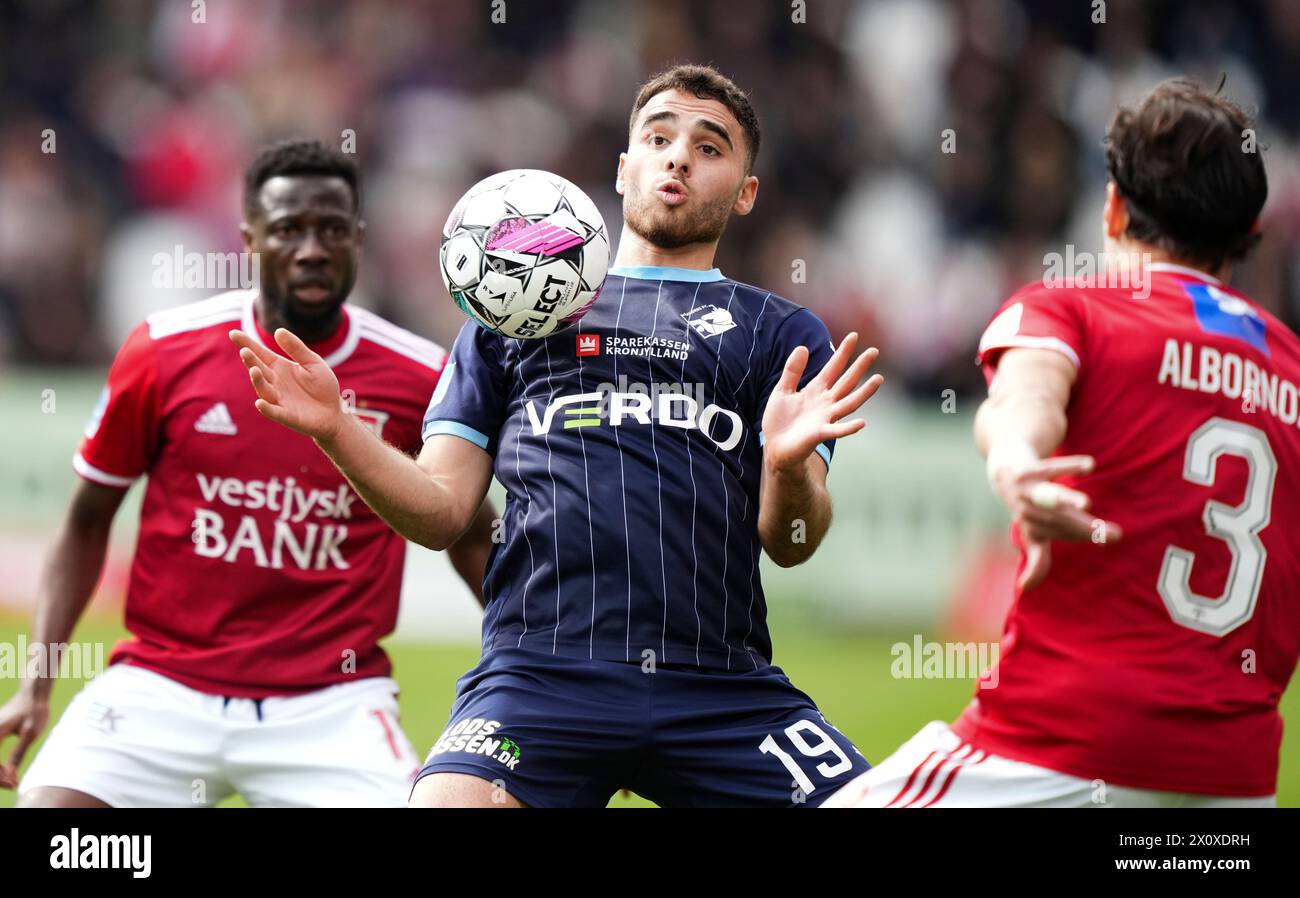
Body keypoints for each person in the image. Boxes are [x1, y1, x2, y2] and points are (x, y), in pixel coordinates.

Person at [231, 65, 884, 807]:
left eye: (710, 148)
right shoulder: (519, 308)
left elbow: (792, 541)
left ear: (745, 191)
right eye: (659, 137)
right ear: (623, 167)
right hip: (540, 671)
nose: (678, 157)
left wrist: (793, 470)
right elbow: (444, 511)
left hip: (720, 683)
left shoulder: (781, 332)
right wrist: (337, 427)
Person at [826, 79, 1297, 808]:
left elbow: (1025, 398)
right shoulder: (1292, 369)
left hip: (1053, 755)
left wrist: (1018, 465)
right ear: (1247, 235)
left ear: (1111, 207)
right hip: (1232, 786)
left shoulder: (1074, 308)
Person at [1, 139, 495, 808]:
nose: (312, 248)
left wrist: (519, 672)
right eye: (289, 228)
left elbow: (468, 528)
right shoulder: (164, 350)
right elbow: (87, 520)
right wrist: (36, 681)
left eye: (331, 228)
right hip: (160, 686)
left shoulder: (419, 375)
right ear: (248, 238)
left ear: (359, 238)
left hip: (333, 703)